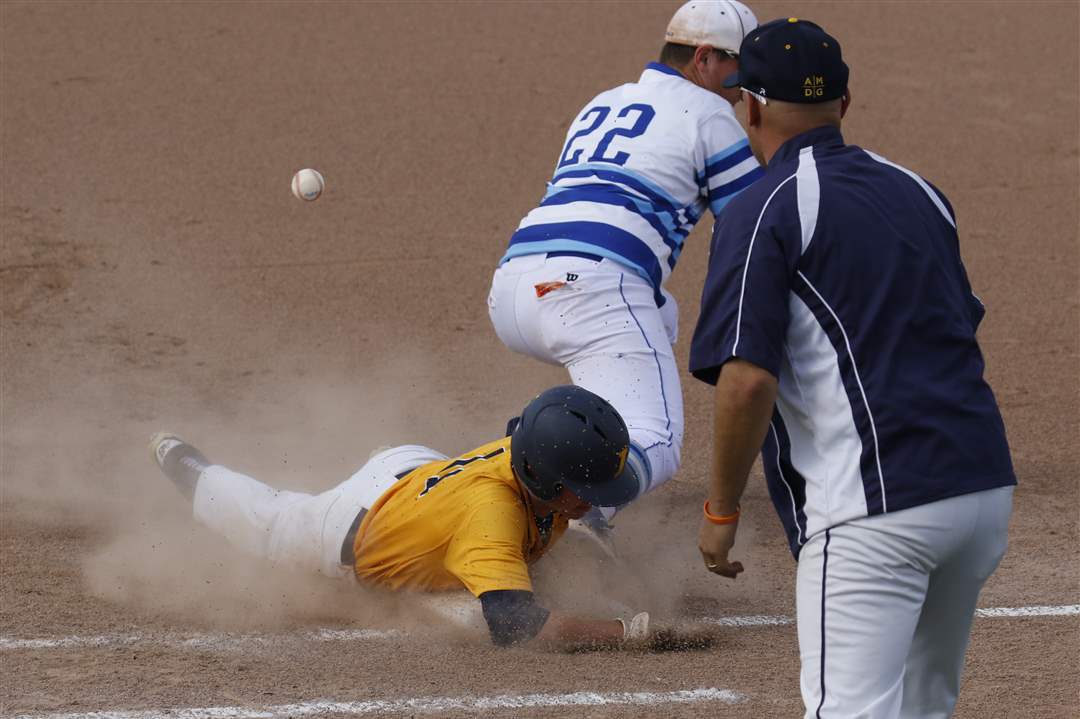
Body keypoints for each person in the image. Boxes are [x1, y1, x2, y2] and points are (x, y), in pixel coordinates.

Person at [688, 18, 1016, 719]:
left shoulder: (765, 207)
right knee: (924, 709)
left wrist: (720, 510)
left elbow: (747, 378)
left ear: (749, 105)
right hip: (980, 488)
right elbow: (959, 324)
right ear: (845, 103)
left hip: (875, 509)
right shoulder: (919, 191)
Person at [487, 0, 763, 542]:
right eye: (739, 70)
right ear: (704, 59)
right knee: (655, 443)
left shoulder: (605, 100)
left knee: (660, 316)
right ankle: (579, 519)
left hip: (514, 288)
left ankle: (538, 456)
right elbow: (757, 226)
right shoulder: (710, 116)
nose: (744, 87)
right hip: (591, 291)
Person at [149, 385, 650, 648]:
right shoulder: (491, 518)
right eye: (584, 488)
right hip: (347, 528)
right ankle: (185, 463)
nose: (594, 496)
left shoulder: (529, 449)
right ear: (542, 477)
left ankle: (398, 480)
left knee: (558, 534)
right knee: (269, 522)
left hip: (419, 471)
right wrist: (625, 634)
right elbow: (514, 626)